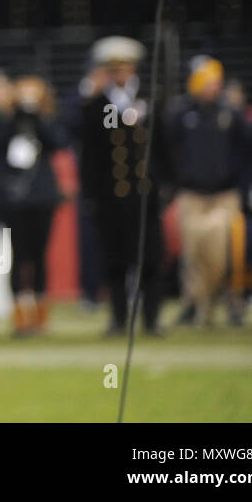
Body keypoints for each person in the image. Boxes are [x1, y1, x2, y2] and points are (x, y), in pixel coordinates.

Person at [77, 36, 166, 337]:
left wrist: (166, 186)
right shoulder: (96, 105)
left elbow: (163, 148)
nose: (120, 74)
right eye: (113, 68)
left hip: (144, 195)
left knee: (150, 258)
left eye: (124, 67)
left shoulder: (151, 100)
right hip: (111, 197)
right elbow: (89, 155)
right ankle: (118, 318)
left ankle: (151, 319)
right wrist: (89, 194)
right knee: (114, 260)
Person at [0, 71, 66, 335]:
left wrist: (35, 113)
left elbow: (57, 142)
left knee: (39, 256)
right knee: (18, 255)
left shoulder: (45, 118)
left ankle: (40, 311)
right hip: (13, 199)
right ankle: (20, 313)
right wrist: (16, 113)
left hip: (42, 197)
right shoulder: (5, 119)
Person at [163, 56, 249, 327]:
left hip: (225, 193)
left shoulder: (231, 112)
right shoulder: (180, 113)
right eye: (206, 81)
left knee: (225, 251)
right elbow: (166, 152)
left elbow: (246, 151)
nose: (212, 87)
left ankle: (232, 301)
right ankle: (194, 304)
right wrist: (173, 183)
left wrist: (245, 186)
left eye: (215, 81)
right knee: (192, 253)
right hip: (192, 194)